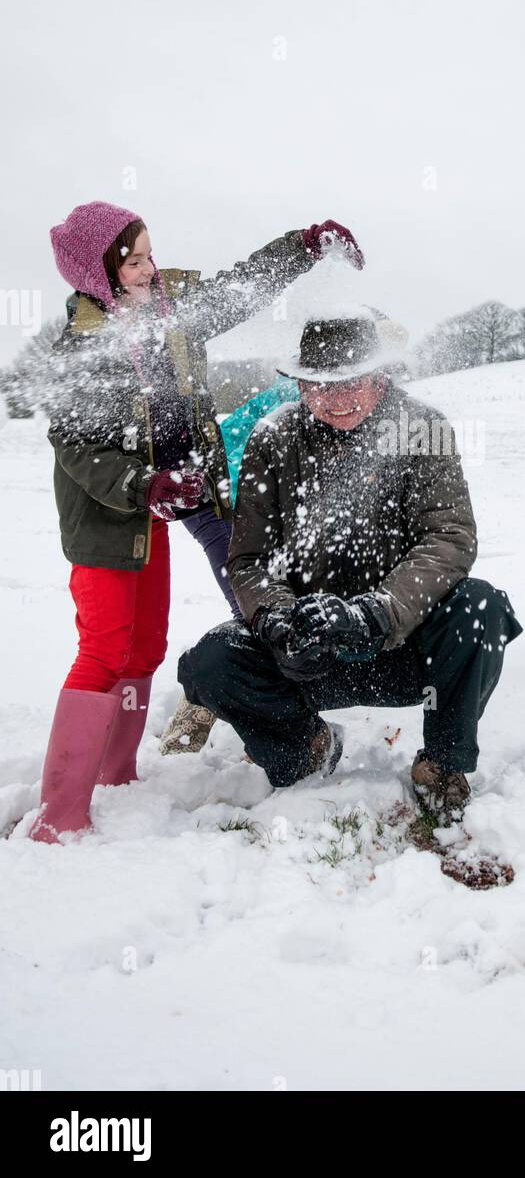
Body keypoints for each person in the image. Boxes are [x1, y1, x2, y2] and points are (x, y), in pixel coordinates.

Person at [30, 202, 363, 842]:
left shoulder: (173, 308)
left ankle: (123, 772)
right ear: (97, 273)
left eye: (150, 253)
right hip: (114, 511)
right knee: (106, 647)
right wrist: (141, 485)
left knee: (185, 625)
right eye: (132, 261)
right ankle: (60, 812)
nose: (149, 268)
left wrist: (303, 245)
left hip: (192, 483)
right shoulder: (79, 349)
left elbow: (243, 287)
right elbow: (72, 446)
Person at [177, 311, 523, 818]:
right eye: (318, 385)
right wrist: (277, 621)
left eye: (351, 383)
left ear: (380, 374)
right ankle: (305, 748)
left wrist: (377, 613)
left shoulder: (422, 428)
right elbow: (247, 559)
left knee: (481, 607)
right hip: (310, 655)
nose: (335, 399)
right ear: (298, 382)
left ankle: (443, 762)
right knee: (211, 661)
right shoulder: (272, 438)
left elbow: (447, 537)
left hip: (403, 644)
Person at [159, 369, 300, 756]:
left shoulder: (336, 403)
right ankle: (199, 710)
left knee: (273, 609)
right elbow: (225, 443)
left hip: (247, 510)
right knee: (252, 612)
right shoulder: (293, 398)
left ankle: (264, 715)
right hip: (220, 507)